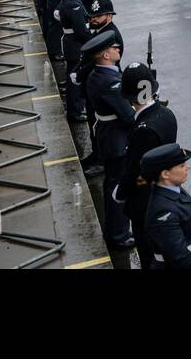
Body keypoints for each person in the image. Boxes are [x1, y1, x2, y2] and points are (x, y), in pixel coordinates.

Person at [116, 62, 177, 269]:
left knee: (149, 257)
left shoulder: (142, 129)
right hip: (167, 194)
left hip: (146, 202)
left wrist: (120, 192)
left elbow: (136, 172)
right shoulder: (167, 115)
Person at [80, 27, 135, 249]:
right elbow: (128, 115)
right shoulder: (109, 81)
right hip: (116, 140)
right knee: (117, 189)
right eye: (113, 47)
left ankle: (116, 230)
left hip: (107, 134)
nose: (118, 48)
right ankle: (118, 235)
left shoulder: (98, 74)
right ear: (105, 54)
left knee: (113, 185)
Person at [56, 0, 91, 121]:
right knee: (74, 80)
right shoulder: (73, 5)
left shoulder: (70, 0)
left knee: (74, 78)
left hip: (72, 44)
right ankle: (74, 112)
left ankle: (76, 109)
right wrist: (92, 43)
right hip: (76, 45)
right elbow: (81, 31)